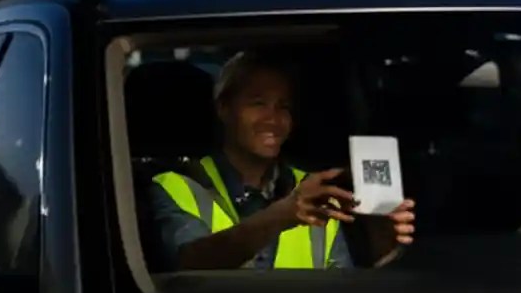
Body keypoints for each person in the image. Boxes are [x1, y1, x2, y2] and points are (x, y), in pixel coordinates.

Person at [149, 51, 417, 271]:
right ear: (224, 108)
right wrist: (284, 214)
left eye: (283, 107)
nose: (273, 120)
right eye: (258, 104)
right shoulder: (177, 185)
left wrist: (381, 246)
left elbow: (341, 289)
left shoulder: (315, 188)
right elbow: (188, 266)